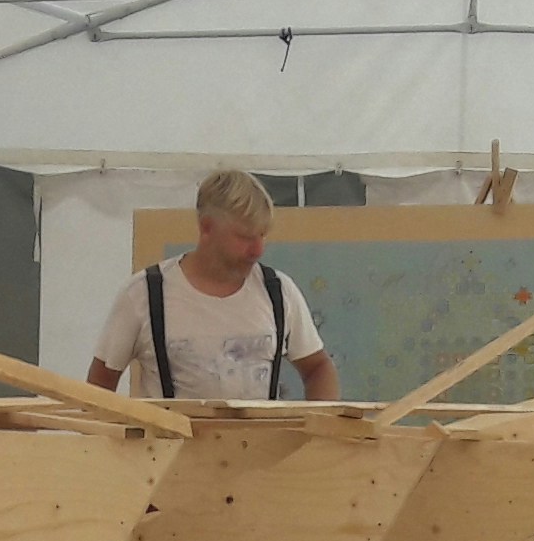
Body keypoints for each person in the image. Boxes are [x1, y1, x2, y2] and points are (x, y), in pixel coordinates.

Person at [87, 168, 343, 402]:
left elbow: (318, 368)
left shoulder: (279, 291)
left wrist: (318, 435)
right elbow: (99, 387)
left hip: (262, 451)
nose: (258, 250)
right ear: (206, 227)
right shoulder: (143, 294)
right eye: (244, 237)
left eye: (262, 236)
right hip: (171, 451)